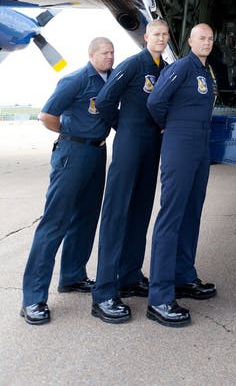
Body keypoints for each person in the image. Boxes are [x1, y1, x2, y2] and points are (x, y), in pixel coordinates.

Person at [20, 37, 115, 325]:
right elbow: (47, 115)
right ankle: (33, 299)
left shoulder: (112, 80)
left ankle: (72, 276)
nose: (110, 57)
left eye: (112, 52)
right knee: (55, 222)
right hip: (72, 152)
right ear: (91, 54)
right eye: (104, 52)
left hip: (97, 153)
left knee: (86, 218)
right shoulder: (75, 80)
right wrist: (72, 131)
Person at [91, 19, 170, 323]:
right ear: (146, 37)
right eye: (156, 34)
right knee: (116, 214)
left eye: (165, 34)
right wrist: (123, 127)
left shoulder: (165, 69)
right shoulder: (133, 65)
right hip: (128, 146)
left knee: (140, 211)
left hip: (152, 148)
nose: (161, 38)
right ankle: (103, 292)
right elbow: (105, 100)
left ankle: (130, 276)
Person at [145, 23, 218, 327]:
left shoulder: (205, 71)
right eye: (201, 38)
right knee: (172, 215)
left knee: (191, 212)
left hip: (200, 146)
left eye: (210, 39)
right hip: (181, 143)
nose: (207, 42)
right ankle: (160, 297)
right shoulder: (182, 67)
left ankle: (184, 277)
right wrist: (170, 126)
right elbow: (155, 101)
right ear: (190, 41)